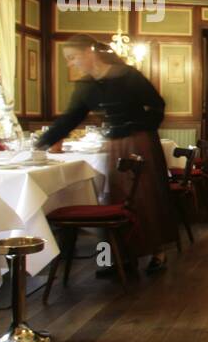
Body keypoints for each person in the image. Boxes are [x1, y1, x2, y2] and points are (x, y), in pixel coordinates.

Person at [36, 35, 178, 273]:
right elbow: (70, 118)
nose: (71, 63)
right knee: (119, 198)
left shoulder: (128, 75)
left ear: (89, 53)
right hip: (114, 144)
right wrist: (42, 142)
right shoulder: (86, 86)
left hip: (140, 141)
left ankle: (158, 253)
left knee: (145, 197)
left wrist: (139, 129)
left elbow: (157, 105)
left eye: (73, 57)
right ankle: (124, 258)